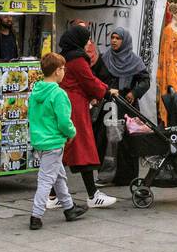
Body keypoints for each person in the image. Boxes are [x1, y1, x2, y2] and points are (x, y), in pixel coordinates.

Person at [57, 26, 119, 208]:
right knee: (81, 149)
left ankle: (52, 196)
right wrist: (106, 92)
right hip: (75, 107)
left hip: (68, 104)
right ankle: (92, 195)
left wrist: (104, 89)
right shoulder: (77, 59)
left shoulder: (67, 56)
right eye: (87, 40)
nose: (89, 43)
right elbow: (89, 81)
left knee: (65, 152)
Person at [29, 52, 86, 227]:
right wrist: (71, 133)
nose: (64, 72)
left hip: (39, 141)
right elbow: (63, 121)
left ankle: (69, 208)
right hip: (53, 142)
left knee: (59, 176)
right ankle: (36, 216)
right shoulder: (59, 94)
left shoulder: (35, 91)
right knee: (46, 180)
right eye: (62, 68)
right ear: (56, 71)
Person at [96, 27, 150, 189]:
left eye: (118, 38)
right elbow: (97, 79)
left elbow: (145, 81)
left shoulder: (135, 61)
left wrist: (134, 92)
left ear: (125, 41)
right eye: (112, 37)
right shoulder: (105, 59)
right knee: (107, 142)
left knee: (127, 142)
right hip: (109, 107)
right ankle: (106, 176)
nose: (113, 41)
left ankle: (127, 177)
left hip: (128, 107)